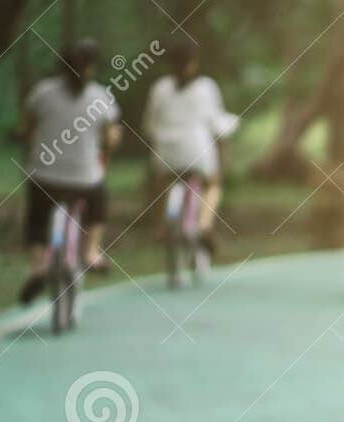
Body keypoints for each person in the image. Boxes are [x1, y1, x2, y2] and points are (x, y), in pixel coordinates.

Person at [18, 39, 121, 304]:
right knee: (98, 199)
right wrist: (108, 149)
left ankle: (39, 266)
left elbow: (28, 127)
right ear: (93, 66)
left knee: (37, 219)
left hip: (45, 176)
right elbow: (110, 139)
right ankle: (91, 252)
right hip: (85, 179)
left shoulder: (41, 92)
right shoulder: (101, 96)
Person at [144, 38, 239, 258]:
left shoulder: (159, 88)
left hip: (165, 151)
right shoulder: (206, 87)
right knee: (214, 183)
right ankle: (204, 224)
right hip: (197, 152)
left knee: (161, 182)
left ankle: (162, 225)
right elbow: (217, 124)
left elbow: (149, 126)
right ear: (194, 62)